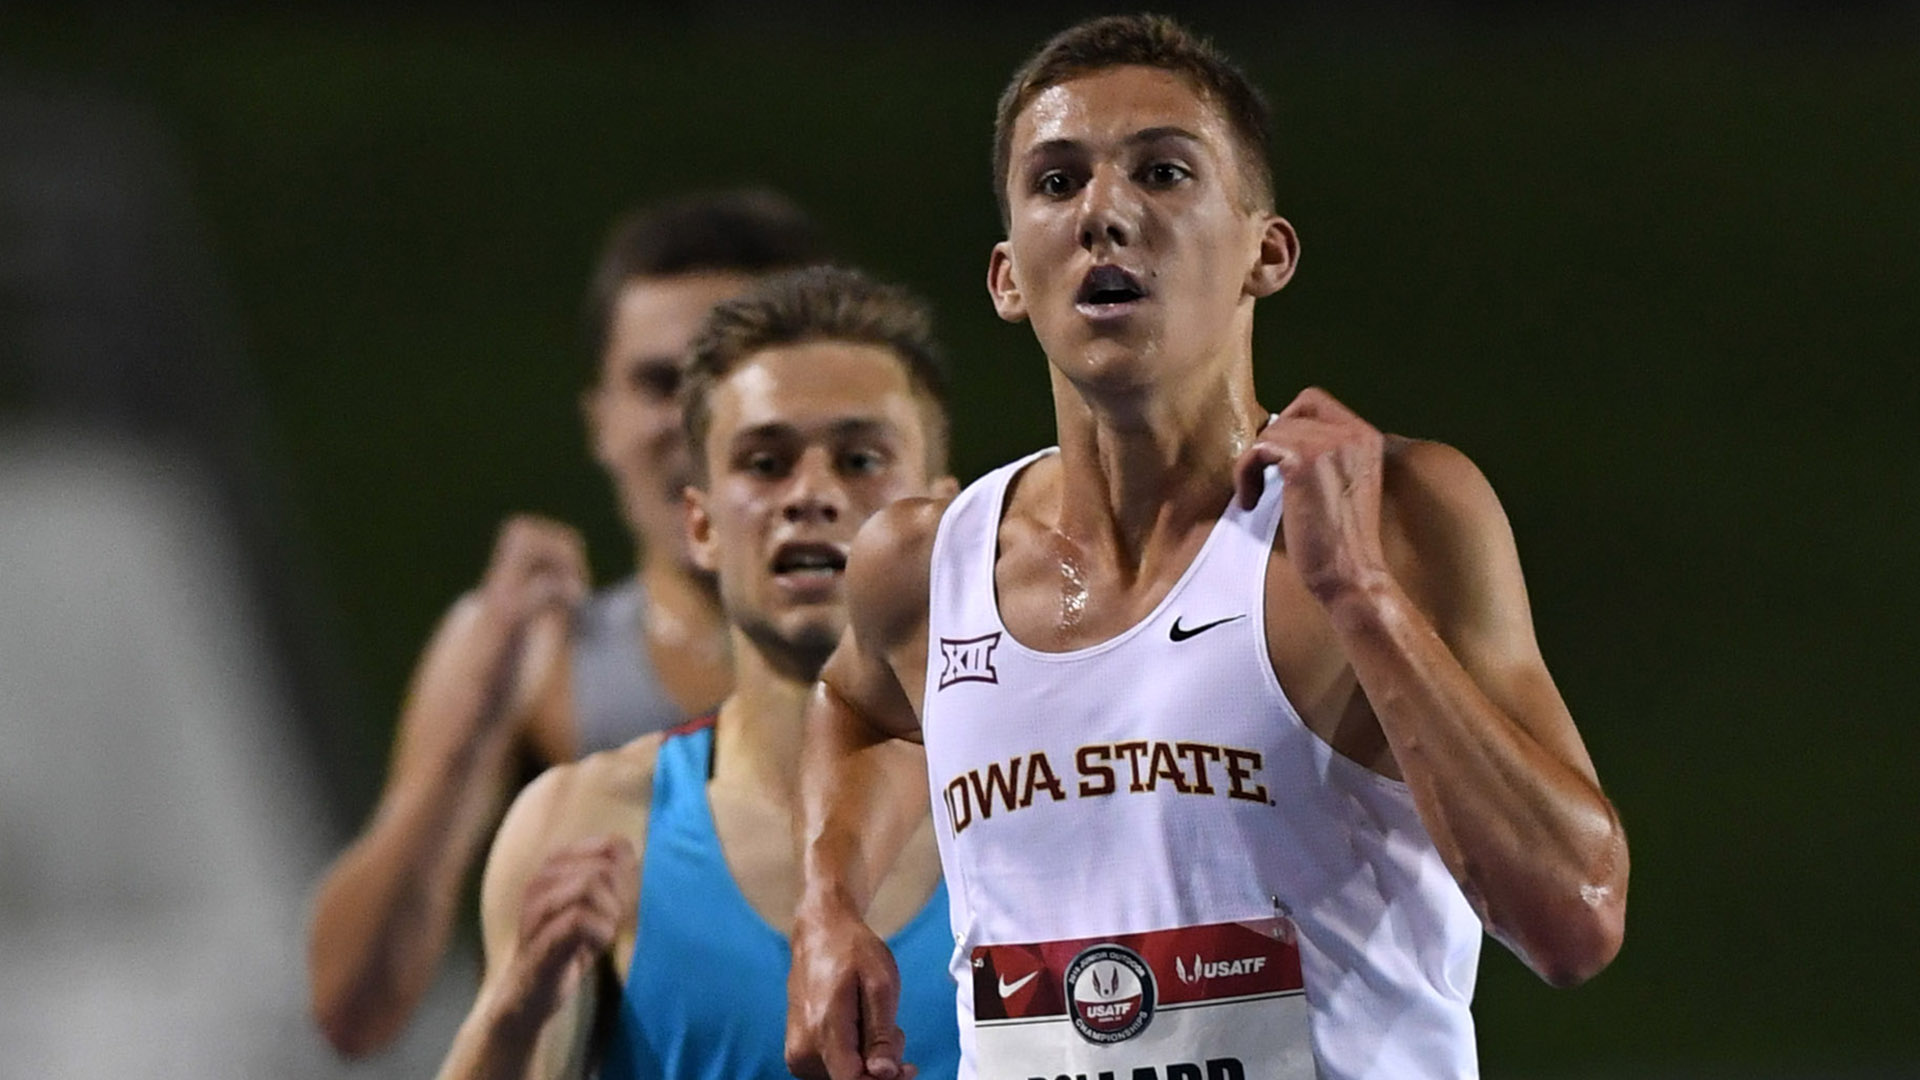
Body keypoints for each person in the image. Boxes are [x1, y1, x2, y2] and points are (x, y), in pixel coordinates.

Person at [785, 15, 1630, 1080]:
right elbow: (856, 705)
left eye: (1163, 172)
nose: (1104, 213)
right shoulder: (926, 566)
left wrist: (1361, 596)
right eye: (1058, 182)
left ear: (1264, 253)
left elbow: (1576, 919)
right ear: (1006, 278)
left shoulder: (1398, 518)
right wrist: (827, 906)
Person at [308, 191, 829, 1057]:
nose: (697, 422)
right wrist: (468, 734)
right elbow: (353, 1009)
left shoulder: (934, 639)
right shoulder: (535, 658)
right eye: (659, 383)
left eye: (737, 375)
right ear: (601, 422)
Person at [434, 265, 965, 1080]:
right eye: (765, 462)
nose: (811, 495)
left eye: (860, 459)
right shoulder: (589, 825)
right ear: (702, 524)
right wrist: (515, 1009)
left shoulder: (1040, 805)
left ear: (942, 516)